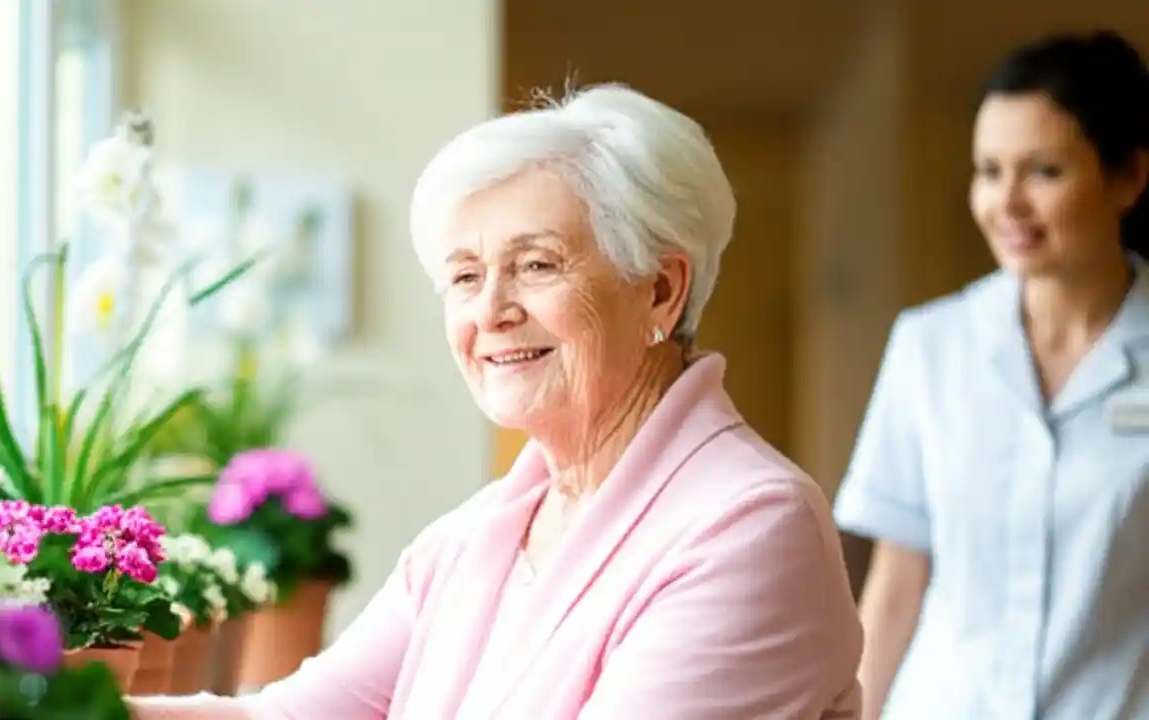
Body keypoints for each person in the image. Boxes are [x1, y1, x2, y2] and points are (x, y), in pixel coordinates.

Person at [129, 84, 862, 718]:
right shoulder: (474, 537)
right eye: (466, 277)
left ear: (661, 290)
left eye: (537, 265)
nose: (492, 311)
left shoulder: (749, 525)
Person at [834, 30, 1149, 720]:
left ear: (1128, 177)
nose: (1006, 203)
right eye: (988, 170)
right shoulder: (929, 345)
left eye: (1043, 172)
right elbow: (896, 586)